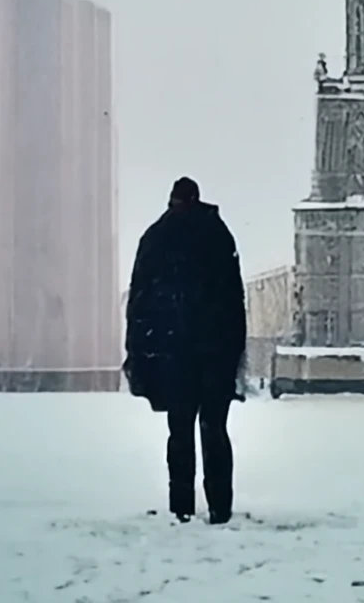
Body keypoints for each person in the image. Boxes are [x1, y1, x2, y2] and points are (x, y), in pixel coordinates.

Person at [123, 177, 246, 525]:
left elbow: (140, 305)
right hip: (214, 356)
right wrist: (234, 353)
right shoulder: (218, 235)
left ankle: (182, 508)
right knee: (214, 431)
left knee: (180, 433)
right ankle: (220, 507)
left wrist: (139, 354)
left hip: (174, 356)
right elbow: (234, 302)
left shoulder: (156, 239)